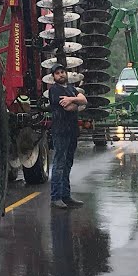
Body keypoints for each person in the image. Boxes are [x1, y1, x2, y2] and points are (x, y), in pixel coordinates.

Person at [48, 63, 88, 210]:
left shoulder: (71, 89)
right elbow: (70, 107)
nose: (61, 75)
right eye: (57, 73)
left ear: (66, 74)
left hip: (72, 131)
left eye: (62, 72)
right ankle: (55, 197)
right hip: (60, 131)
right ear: (53, 77)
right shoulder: (54, 90)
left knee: (68, 163)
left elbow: (84, 100)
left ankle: (66, 196)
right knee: (59, 164)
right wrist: (76, 101)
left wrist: (72, 99)